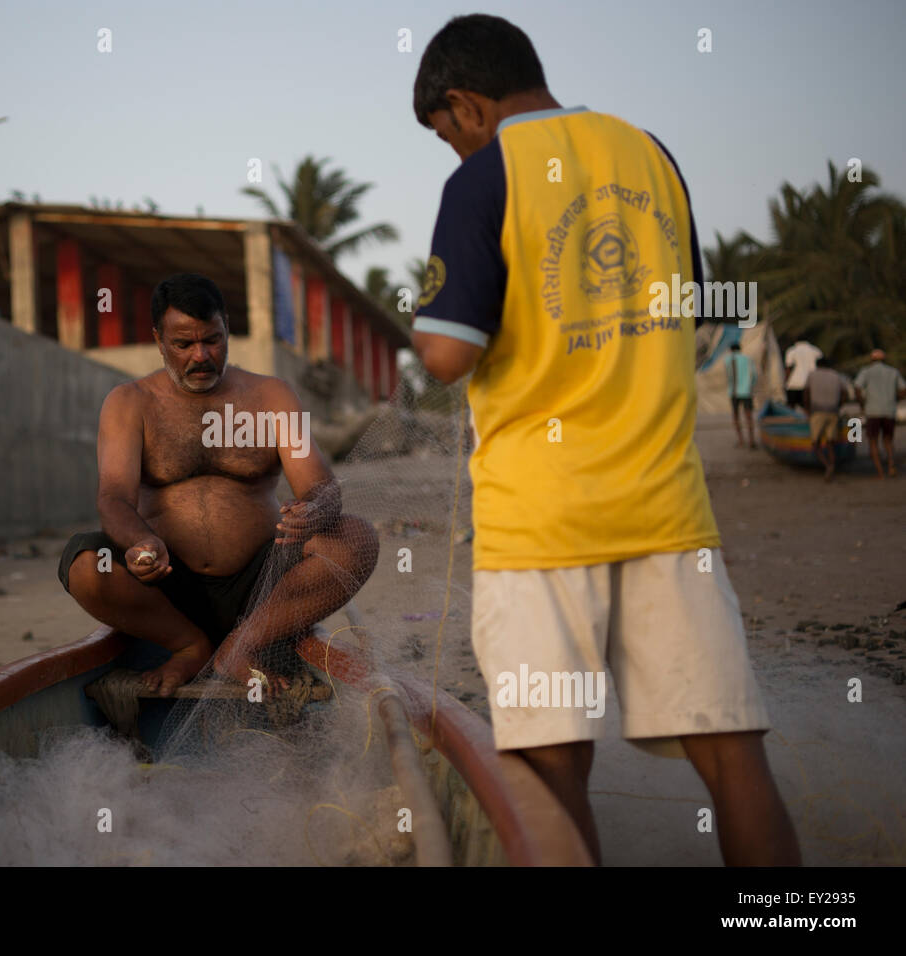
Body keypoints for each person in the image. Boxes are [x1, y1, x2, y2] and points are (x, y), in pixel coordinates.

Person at [407, 13, 799, 866]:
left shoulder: (486, 178)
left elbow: (445, 353)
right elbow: (685, 309)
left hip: (540, 529)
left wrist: (422, 315)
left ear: (466, 106)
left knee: (550, 774)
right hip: (669, 514)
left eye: (446, 135)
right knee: (733, 756)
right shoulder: (649, 154)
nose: (454, 152)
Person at [57, 273, 378, 696]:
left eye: (213, 340)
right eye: (183, 345)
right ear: (158, 340)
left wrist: (315, 511)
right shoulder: (129, 401)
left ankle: (242, 645)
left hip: (265, 588)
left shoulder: (271, 395)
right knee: (86, 566)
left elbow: (320, 484)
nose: (201, 356)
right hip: (168, 589)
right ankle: (189, 644)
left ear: (227, 328)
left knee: (356, 538)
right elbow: (114, 497)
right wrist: (140, 544)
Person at [853, 348, 906, 479]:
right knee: (888, 440)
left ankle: (880, 472)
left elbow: (857, 388)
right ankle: (891, 465)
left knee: (873, 441)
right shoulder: (893, 372)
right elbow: (903, 390)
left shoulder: (866, 371)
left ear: (871, 360)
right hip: (889, 410)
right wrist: (894, 399)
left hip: (872, 411)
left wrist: (862, 404)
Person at [804, 356, 848, 482]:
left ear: (817, 365)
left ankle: (827, 465)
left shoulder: (812, 375)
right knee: (830, 442)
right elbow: (845, 394)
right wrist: (838, 406)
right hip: (833, 412)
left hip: (817, 412)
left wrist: (807, 411)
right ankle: (832, 465)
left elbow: (806, 393)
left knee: (815, 443)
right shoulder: (836, 375)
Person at [725, 341, 757, 448]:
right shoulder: (747, 359)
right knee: (749, 416)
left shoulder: (728, 360)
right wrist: (750, 386)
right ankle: (752, 440)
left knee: (736, 416)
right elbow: (754, 375)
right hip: (746, 391)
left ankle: (741, 440)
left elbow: (728, 376)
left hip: (733, 392)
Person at [784, 339, 822, 408]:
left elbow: (788, 368)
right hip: (811, 384)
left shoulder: (792, 350)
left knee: (792, 407)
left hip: (794, 384)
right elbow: (821, 368)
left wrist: (785, 382)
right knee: (810, 407)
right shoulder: (816, 350)